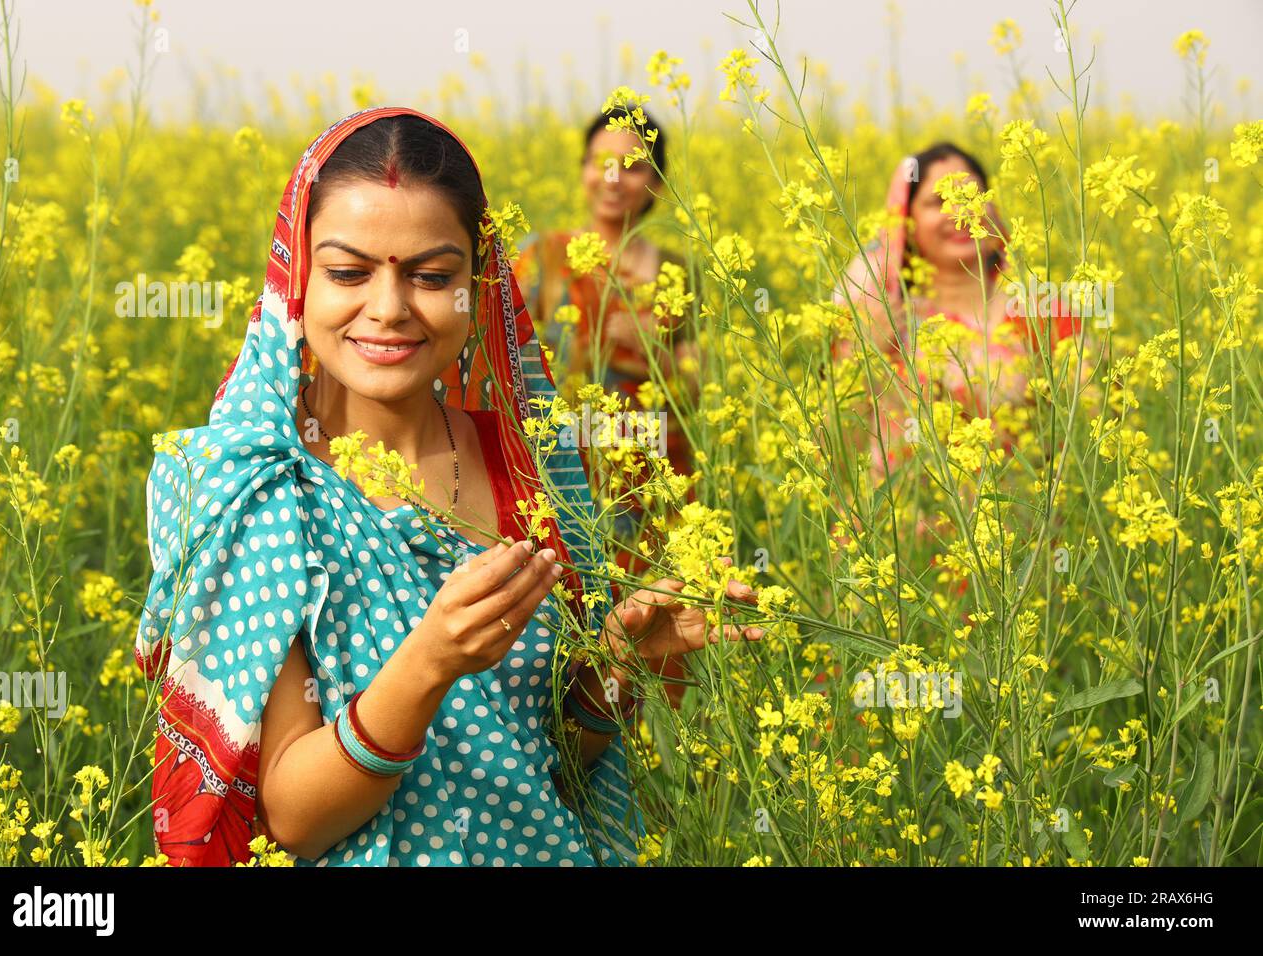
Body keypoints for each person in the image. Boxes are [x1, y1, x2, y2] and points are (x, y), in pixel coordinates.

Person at [134, 107, 761, 867]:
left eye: (432, 277)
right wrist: (428, 664)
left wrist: (616, 675)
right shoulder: (254, 484)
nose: (390, 307)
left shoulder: (528, 466)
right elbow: (293, 821)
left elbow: (548, 769)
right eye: (347, 272)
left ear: (480, 285)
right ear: (297, 277)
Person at [515, 108, 698, 560]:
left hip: (656, 468)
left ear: (656, 181)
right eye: (601, 162)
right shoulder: (543, 258)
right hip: (562, 466)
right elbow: (505, 361)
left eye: (633, 167)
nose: (613, 178)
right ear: (583, 169)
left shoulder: (678, 270)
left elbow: (697, 388)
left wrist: (652, 350)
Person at [836, 141, 1081, 476]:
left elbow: (1090, 431)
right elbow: (833, 447)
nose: (960, 211)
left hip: (1013, 520)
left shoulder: (1041, 310)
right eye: (938, 201)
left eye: (972, 197)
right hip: (897, 522)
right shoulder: (878, 313)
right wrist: (863, 355)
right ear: (905, 221)